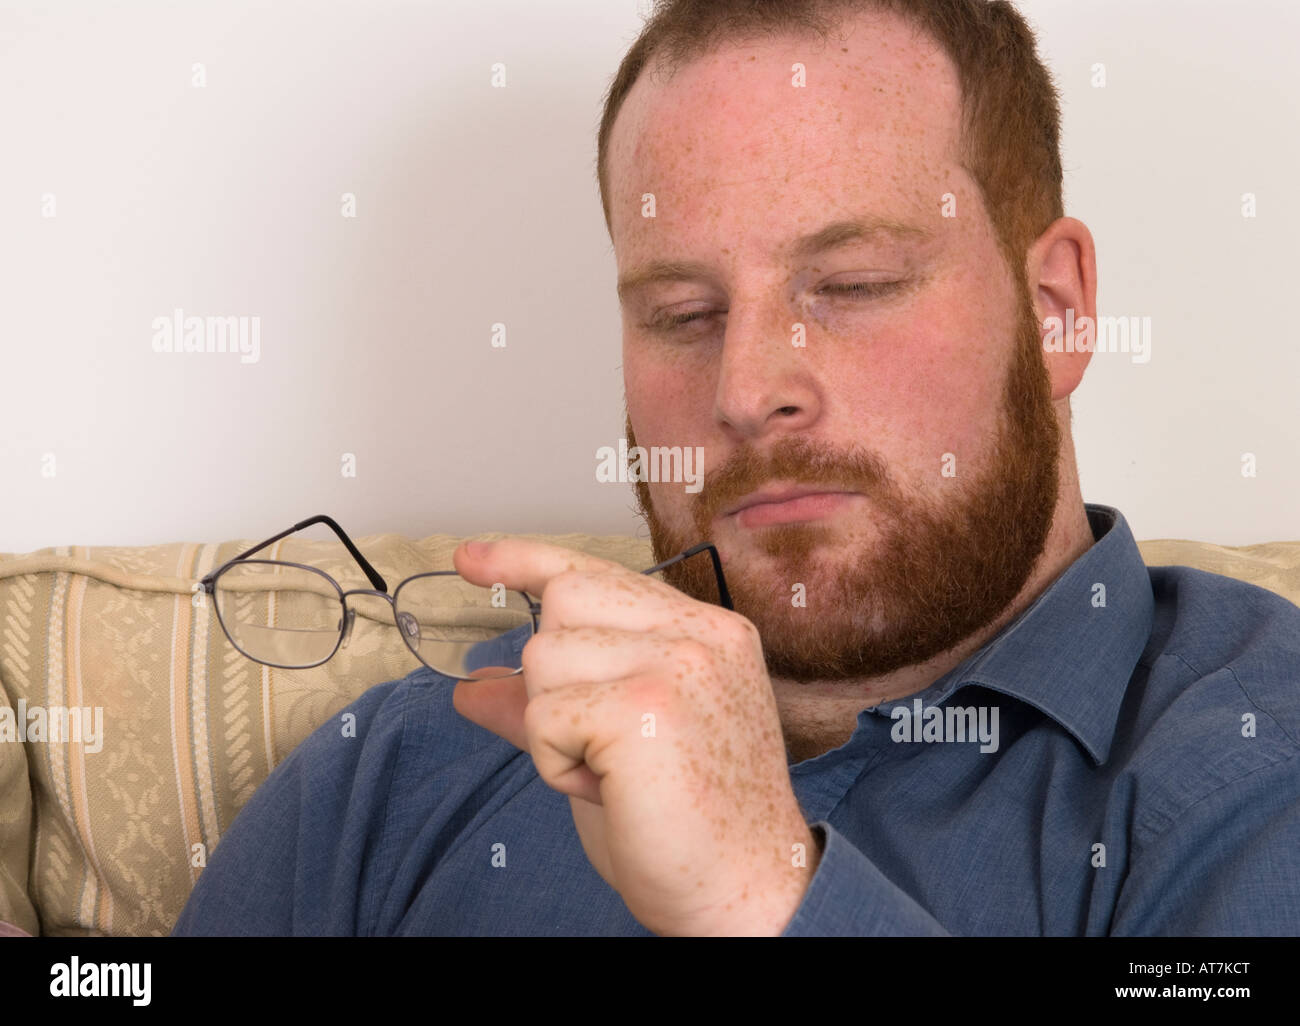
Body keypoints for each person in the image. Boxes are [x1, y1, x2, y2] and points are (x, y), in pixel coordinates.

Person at [172, 0, 1300, 936]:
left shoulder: (1254, 763)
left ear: (1053, 312)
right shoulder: (409, 761)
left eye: (850, 286)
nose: (745, 388)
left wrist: (767, 898)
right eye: (681, 311)